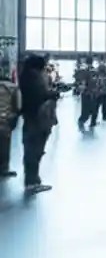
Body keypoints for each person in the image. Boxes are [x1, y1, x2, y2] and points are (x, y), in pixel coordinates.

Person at [18, 54, 58, 195]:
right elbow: (42, 96)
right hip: (39, 119)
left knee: (30, 150)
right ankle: (32, 182)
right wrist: (53, 94)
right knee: (35, 151)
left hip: (29, 118)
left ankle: (32, 180)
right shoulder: (36, 78)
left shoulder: (25, 76)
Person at [0, 58, 20, 178]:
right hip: (4, 121)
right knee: (4, 145)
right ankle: (3, 168)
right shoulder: (12, 88)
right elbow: (17, 106)